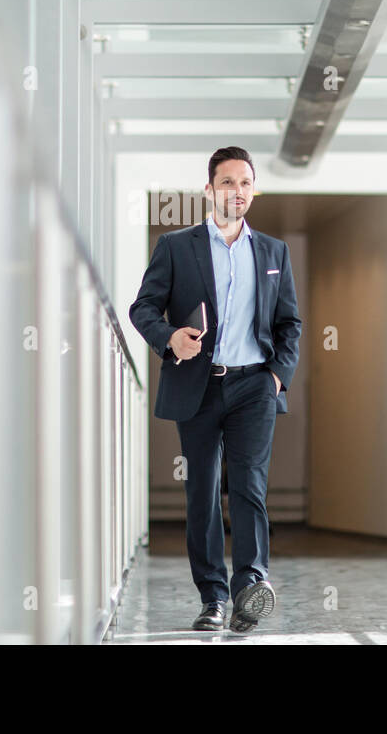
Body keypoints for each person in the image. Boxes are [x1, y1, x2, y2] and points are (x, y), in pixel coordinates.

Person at [129, 146, 302, 634]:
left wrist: (275, 377)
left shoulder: (273, 251)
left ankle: (250, 587)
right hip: (200, 386)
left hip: (254, 387)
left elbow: (290, 322)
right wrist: (169, 339)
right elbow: (143, 308)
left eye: (245, 182)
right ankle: (213, 598)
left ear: (253, 189)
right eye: (227, 182)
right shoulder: (176, 246)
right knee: (202, 493)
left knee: (249, 487)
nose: (237, 191)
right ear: (209, 190)